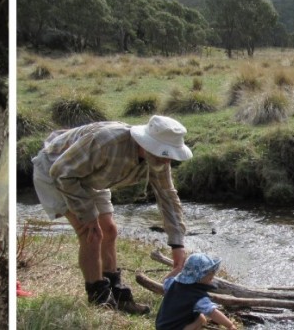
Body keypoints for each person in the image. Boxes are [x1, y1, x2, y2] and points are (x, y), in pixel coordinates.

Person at [31, 114, 193, 314]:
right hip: (55, 172)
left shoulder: (159, 161)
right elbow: (62, 172)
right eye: (163, 154)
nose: (167, 161)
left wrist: (177, 244)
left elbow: (167, 197)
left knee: (109, 229)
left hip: (90, 177)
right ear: (147, 144)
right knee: (90, 233)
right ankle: (99, 298)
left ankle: (116, 293)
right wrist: (87, 214)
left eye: (169, 155)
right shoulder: (107, 142)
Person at [155, 253, 238, 330]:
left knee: (200, 317)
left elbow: (166, 281)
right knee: (200, 320)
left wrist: (178, 268)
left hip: (161, 325)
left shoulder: (174, 283)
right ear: (199, 277)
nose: (213, 274)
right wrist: (230, 325)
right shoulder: (197, 296)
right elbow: (212, 312)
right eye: (210, 273)